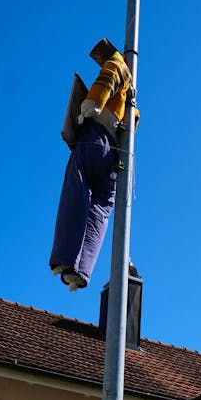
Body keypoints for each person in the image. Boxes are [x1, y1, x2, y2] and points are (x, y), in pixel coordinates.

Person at [49, 39, 134, 292]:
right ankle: (81, 269)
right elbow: (132, 125)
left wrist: (93, 101)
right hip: (115, 156)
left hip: (96, 137)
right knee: (100, 209)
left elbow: (110, 75)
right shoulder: (130, 99)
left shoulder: (118, 63)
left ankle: (65, 258)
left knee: (76, 189)